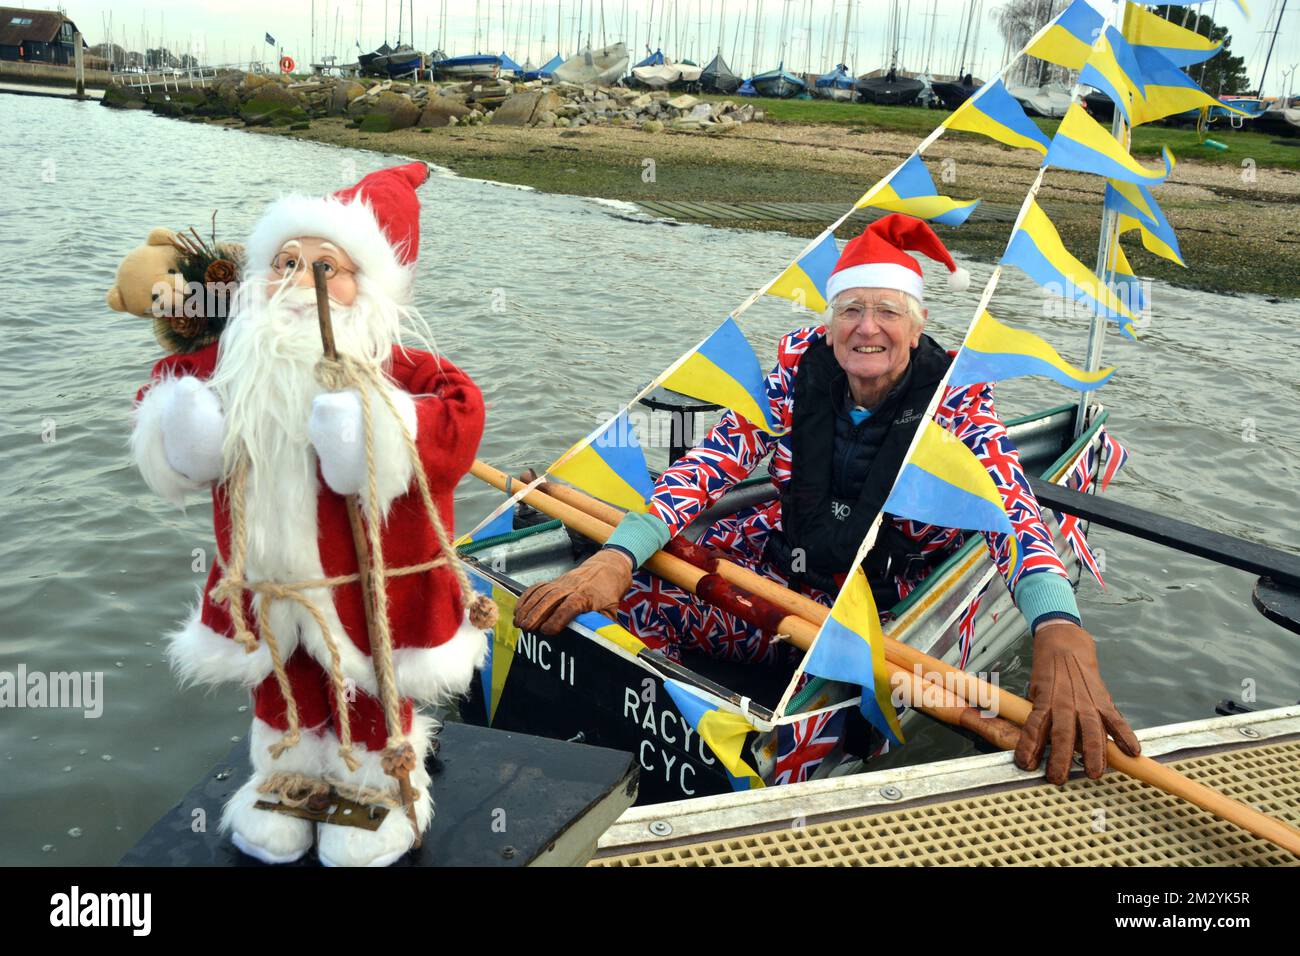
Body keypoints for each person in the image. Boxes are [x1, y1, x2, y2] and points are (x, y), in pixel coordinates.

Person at [515, 214, 1139, 786]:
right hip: (785, 564)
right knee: (623, 597)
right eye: (850, 310)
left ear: (918, 326)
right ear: (829, 322)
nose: (867, 328)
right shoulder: (795, 378)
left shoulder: (956, 409)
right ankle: (644, 712)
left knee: (832, 679)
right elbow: (706, 468)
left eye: (888, 311)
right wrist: (618, 556)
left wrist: (1060, 628)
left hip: (881, 603)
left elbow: (1013, 517)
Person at [131, 162, 487, 866]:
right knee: (283, 677)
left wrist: (380, 434)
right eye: (287, 261)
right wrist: (186, 427)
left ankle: (379, 791)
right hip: (270, 579)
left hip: (370, 586)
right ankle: (287, 780)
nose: (303, 278)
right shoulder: (235, 363)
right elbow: (171, 391)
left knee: (366, 684)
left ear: (373, 286)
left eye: (330, 265)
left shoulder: (404, 367)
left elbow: (459, 419)